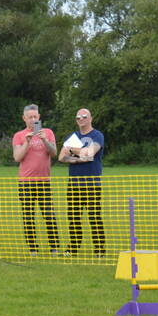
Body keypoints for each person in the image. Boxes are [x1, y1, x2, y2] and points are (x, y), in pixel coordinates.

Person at [12, 104, 60, 256]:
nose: (33, 120)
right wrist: (27, 141)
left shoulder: (48, 132)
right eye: (29, 117)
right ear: (24, 118)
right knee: (28, 215)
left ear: (39, 117)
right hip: (25, 182)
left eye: (35, 116)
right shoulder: (19, 135)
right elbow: (17, 157)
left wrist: (45, 140)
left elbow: (54, 153)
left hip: (44, 181)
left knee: (48, 214)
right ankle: (33, 248)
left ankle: (54, 247)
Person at [58, 107, 106, 256]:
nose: (81, 119)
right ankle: (72, 248)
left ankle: (99, 249)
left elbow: (91, 153)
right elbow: (61, 157)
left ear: (90, 118)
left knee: (94, 217)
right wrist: (79, 158)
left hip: (92, 184)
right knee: (73, 217)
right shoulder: (73, 136)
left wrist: (72, 150)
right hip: (74, 184)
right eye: (78, 117)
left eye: (84, 116)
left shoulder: (98, 135)